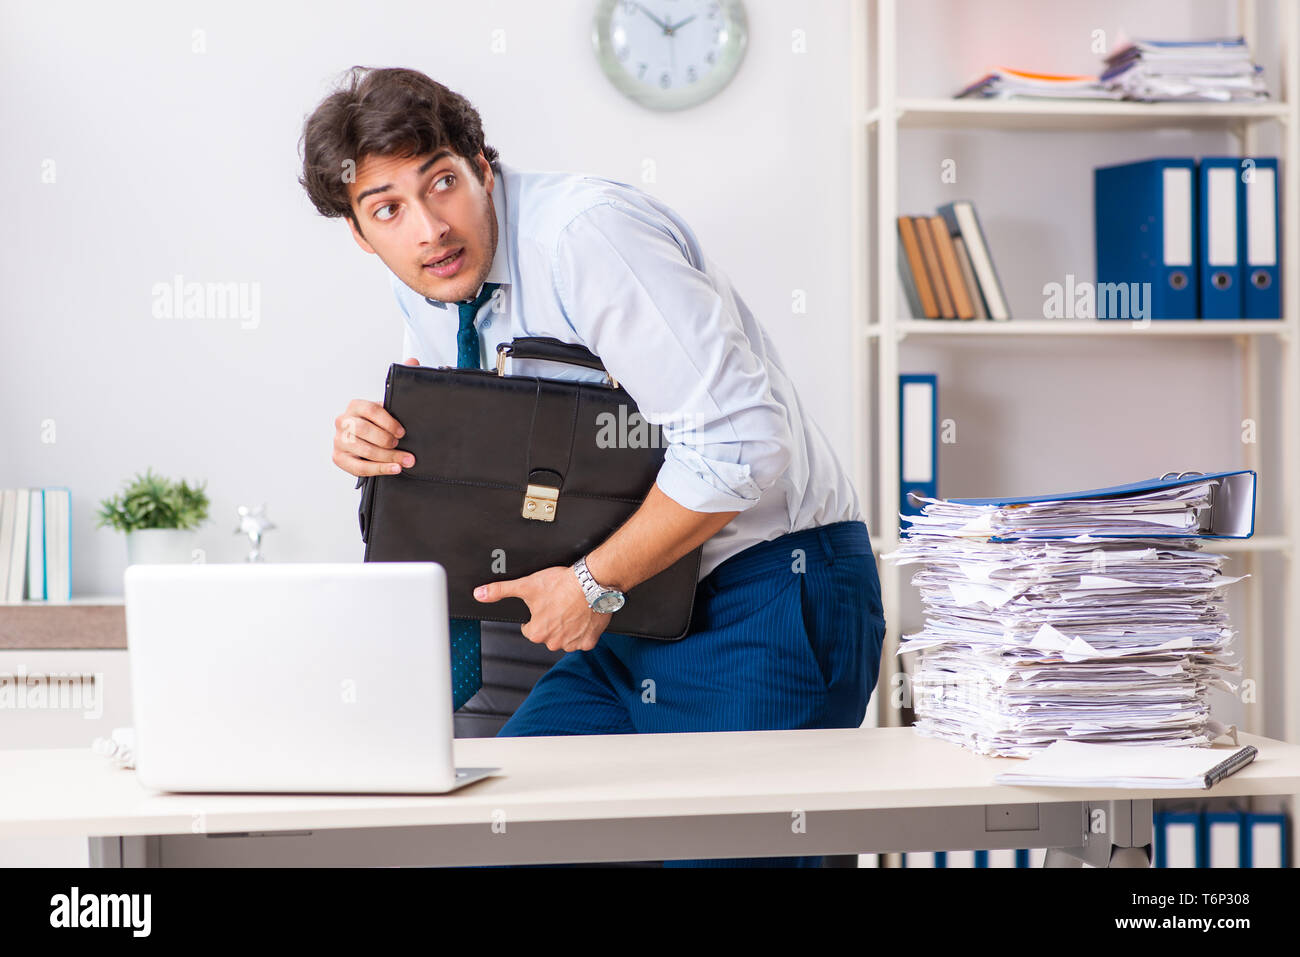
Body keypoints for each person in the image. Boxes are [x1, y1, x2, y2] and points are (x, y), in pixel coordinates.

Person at [301, 66, 886, 868]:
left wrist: (589, 584)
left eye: (441, 182)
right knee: (500, 844)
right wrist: (375, 449)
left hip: (760, 592)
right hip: (627, 615)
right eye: (389, 207)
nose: (429, 226)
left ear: (482, 164)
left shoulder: (587, 237)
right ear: (361, 234)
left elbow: (743, 444)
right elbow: (481, 444)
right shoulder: (433, 283)